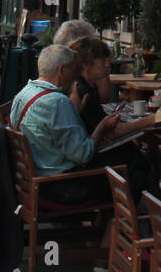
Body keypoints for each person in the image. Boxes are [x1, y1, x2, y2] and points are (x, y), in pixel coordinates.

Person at [9, 45, 120, 202]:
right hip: (58, 186)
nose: (74, 76)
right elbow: (83, 154)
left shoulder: (23, 94)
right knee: (127, 167)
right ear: (61, 70)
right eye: (73, 71)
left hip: (31, 180)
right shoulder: (58, 102)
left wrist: (75, 112)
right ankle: (117, 223)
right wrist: (101, 128)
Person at [68, 35, 159, 199]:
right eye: (102, 61)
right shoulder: (83, 91)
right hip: (85, 165)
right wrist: (150, 120)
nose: (108, 64)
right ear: (87, 63)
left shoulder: (82, 85)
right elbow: (112, 132)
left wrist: (103, 78)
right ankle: (130, 211)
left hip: (84, 153)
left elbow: (104, 99)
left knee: (133, 152)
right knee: (137, 160)